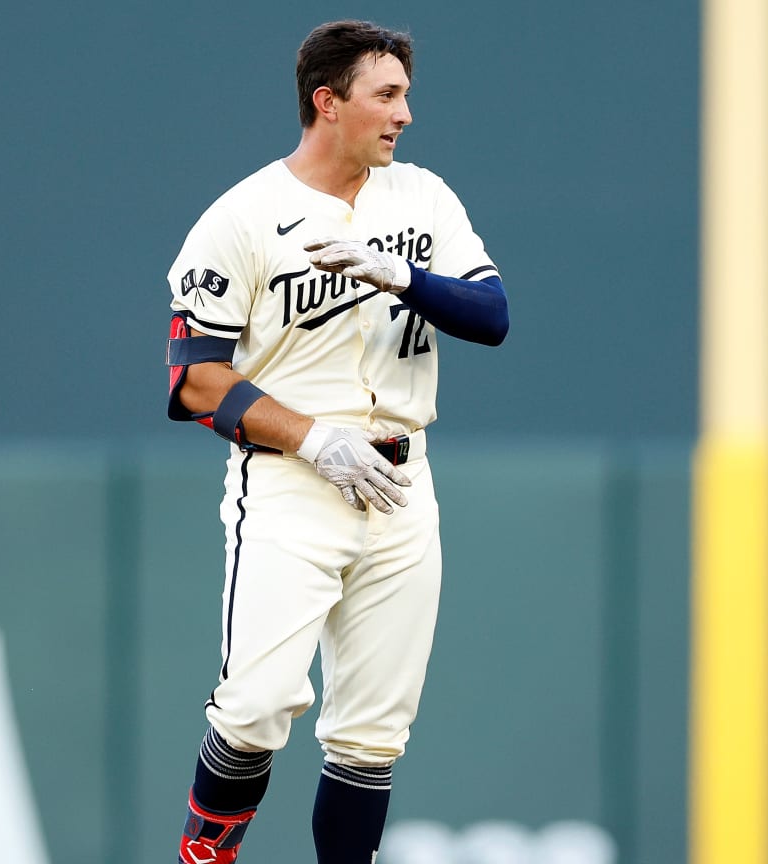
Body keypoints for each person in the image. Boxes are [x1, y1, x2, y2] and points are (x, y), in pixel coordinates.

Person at [163, 19, 509, 864]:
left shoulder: (423, 199)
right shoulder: (242, 218)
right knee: (254, 709)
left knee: (370, 738)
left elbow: (493, 317)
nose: (405, 114)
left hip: (400, 484)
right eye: (386, 95)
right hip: (293, 482)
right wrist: (316, 439)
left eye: (405, 95)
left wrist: (403, 274)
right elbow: (191, 379)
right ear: (328, 102)